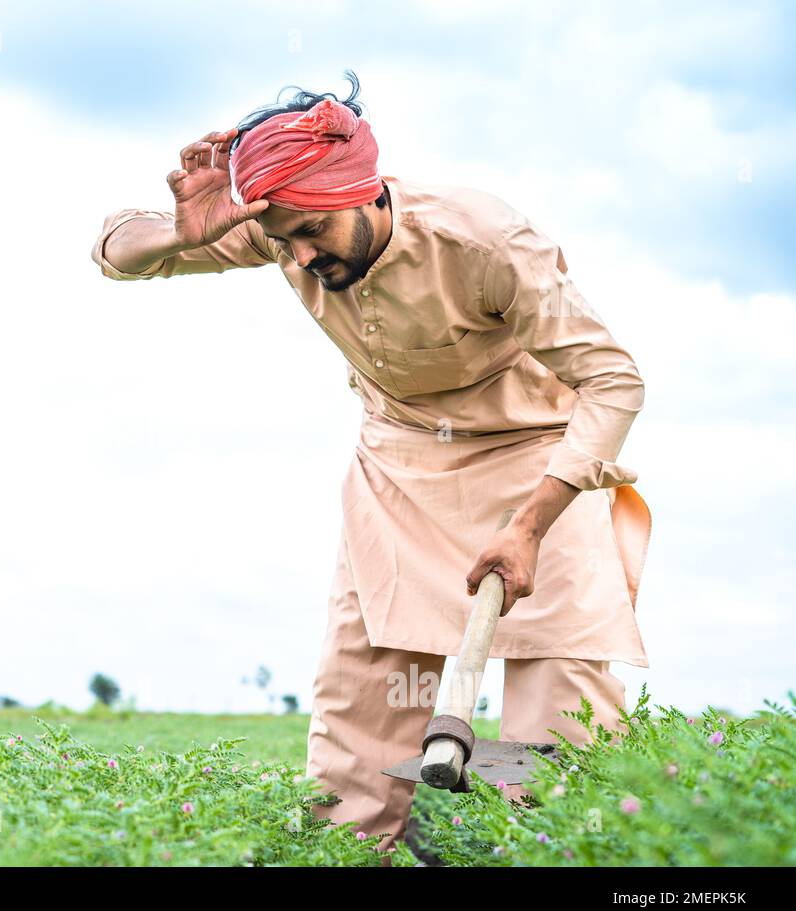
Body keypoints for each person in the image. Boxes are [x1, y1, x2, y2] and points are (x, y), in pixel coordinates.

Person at [89, 71, 651, 864]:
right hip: (398, 462)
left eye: (311, 232)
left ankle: (555, 852)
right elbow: (114, 253)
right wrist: (183, 237)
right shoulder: (282, 223)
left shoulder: (486, 243)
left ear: (362, 193)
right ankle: (360, 852)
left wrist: (530, 526)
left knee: (562, 716)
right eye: (284, 239)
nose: (301, 254)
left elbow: (614, 381)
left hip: (534, 461)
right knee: (364, 713)